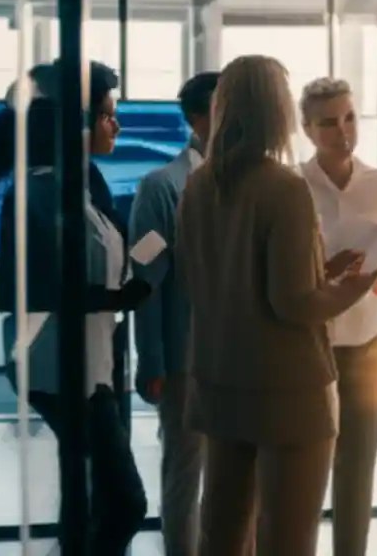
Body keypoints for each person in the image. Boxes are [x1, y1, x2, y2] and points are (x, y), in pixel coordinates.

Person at [177, 55, 377, 556]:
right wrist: (367, 276)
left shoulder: (200, 185)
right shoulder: (284, 187)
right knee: (287, 539)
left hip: (220, 382)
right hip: (288, 391)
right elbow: (297, 304)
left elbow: (220, 279)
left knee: (222, 532)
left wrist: (322, 267)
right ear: (280, 111)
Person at [0, 61, 150, 555]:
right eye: (106, 116)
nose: (115, 126)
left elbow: (118, 255)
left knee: (94, 499)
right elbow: (26, 289)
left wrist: (165, 247)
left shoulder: (87, 183)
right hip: (56, 369)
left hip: (93, 366)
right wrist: (113, 299)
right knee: (124, 501)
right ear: (76, 123)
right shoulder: (36, 192)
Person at [297, 76, 377, 556]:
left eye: (349, 117)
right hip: (308, 343)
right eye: (329, 123)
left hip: (369, 340)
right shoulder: (293, 188)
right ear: (307, 129)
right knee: (305, 468)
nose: (343, 131)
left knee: (358, 469)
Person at [129, 70, 220, 556]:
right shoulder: (161, 187)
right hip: (186, 360)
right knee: (185, 476)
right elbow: (146, 278)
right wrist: (153, 363)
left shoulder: (250, 182)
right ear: (196, 119)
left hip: (240, 360)